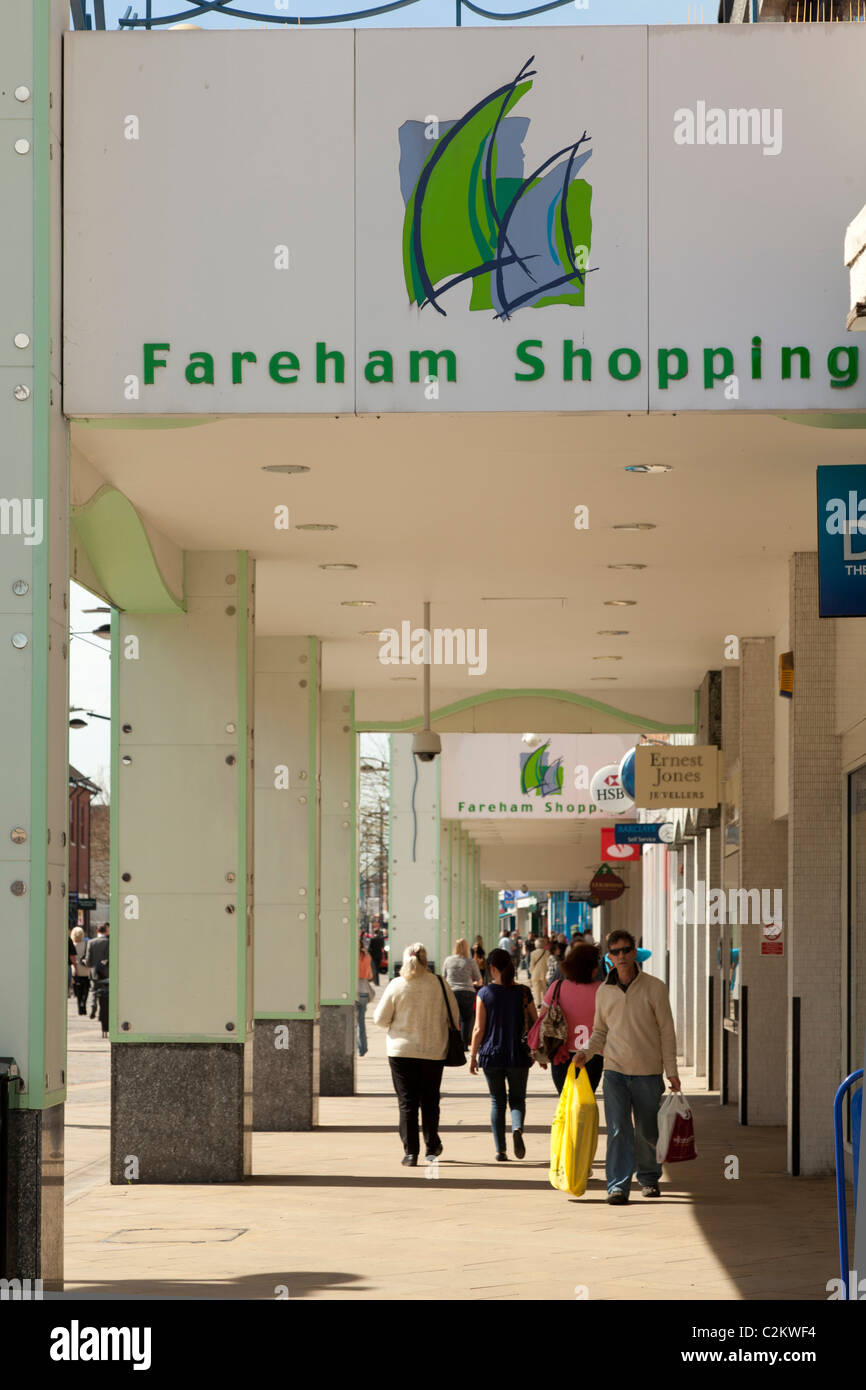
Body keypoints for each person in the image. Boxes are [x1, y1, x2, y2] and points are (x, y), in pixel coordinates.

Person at [574, 929, 680, 1205]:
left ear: (634, 953)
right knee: (618, 1129)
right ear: (609, 957)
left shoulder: (654, 987)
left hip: (648, 1071)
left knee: (647, 1130)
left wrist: (672, 1071)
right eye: (615, 952)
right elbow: (600, 1031)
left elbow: (667, 1030)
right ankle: (617, 1186)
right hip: (615, 1071)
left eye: (625, 950)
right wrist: (585, 1052)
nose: (621, 956)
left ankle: (648, 1178)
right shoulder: (604, 991)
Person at [373, 942, 460, 1167]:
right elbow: (455, 1018)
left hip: (401, 1051)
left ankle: (411, 1153)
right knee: (430, 1100)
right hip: (433, 1051)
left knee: (407, 1102)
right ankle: (432, 1145)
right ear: (425, 959)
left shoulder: (397, 985)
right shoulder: (440, 984)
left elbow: (380, 1019)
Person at [469, 948, 537, 1161]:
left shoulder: (484, 993)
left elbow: (478, 1029)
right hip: (518, 1055)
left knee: (497, 1102)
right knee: (517, 1099)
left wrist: (472, 1056)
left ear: (491, 968)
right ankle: (517, 1128)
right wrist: (538, 1052)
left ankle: (501, 1150)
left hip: (491, 1055)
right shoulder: (524, 992)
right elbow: (535, 1022)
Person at [540, 942, 604, 1096]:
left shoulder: (557, 987)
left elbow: (543, 1020)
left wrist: (541, 1051)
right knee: (585, 1101)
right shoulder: (603, 989)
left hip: (561, 1053)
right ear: (592, 968)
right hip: (593, 1055)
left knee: (566, 1101)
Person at [442, 938, 482, 1048]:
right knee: (466, 1019)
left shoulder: (448, 960)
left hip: (452, 992)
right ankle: (464, 1045)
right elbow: (479, 980)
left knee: (452, 1019)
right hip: (467, 992)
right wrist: (472, 982)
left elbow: (444, 977)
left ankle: (452, 1043)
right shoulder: (470, 962)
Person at [83, 922, 110, 1038]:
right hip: (107, 974)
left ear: (97, 931)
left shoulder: (91, 942)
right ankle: (105, 1016)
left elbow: (88, 961)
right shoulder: (109, 942)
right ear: (106, 930)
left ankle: (93, 1006)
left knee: (93, 991)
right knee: (107, 996)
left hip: (94, 974)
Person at [357, 934, 374, 1057]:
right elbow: (370, 976)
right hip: (364, 991)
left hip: (353, 991)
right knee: (361, 1022)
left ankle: (353, 1048)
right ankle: (362, 1049)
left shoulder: (352, 956)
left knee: (349, 1022)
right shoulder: (367, 956)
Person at [69, 926, 91, 1016]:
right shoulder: (86, 944)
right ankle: (84, 1005)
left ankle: (79, 1008)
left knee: (77, 991)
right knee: (86, 990)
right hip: (85, 970)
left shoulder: (72, 944)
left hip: (75, 969)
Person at [529, 935, 550, 1008]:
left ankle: (538, 1004)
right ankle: (544, 1003)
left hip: (535, 973)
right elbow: (548, 963)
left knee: (536, 989)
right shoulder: (547, 952)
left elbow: (532, 964)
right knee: (544, 989)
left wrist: (531, 972)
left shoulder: (533, 953)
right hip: (544, 973)